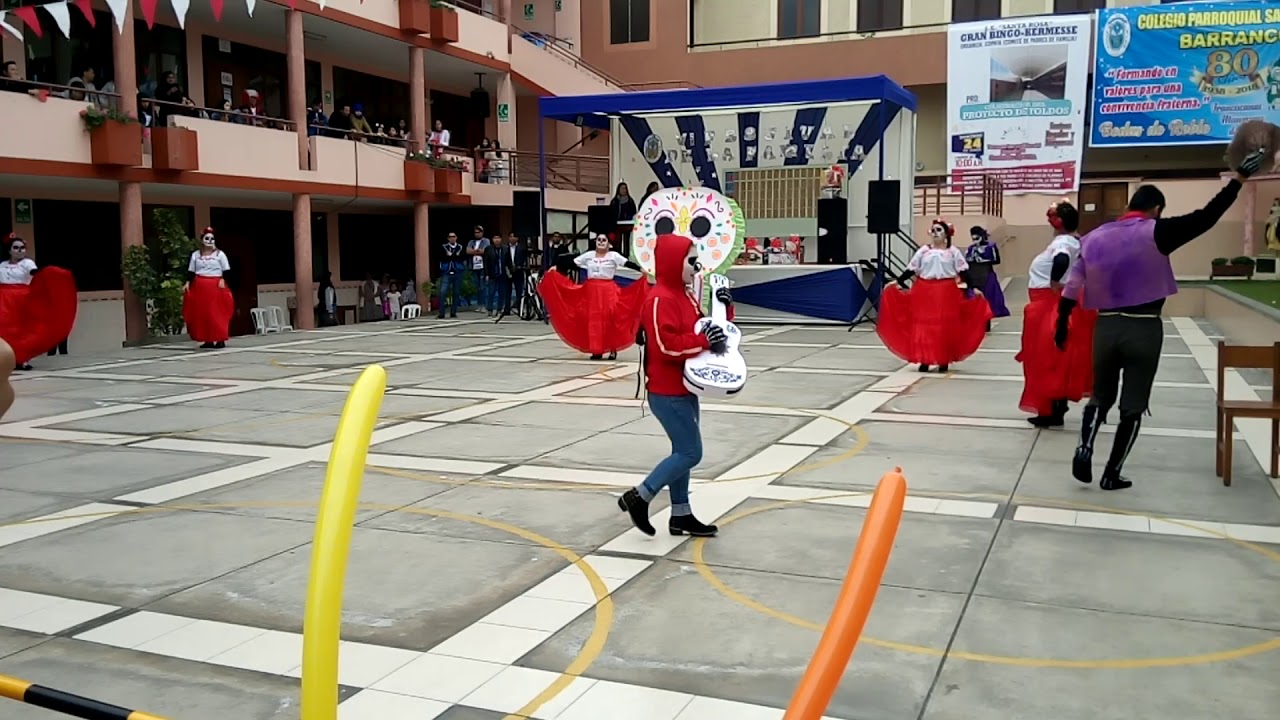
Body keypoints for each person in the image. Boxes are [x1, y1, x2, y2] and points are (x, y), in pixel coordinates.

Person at [1060, 148, 1266, 491]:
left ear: (1130, 205)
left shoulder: (1094, 238)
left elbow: (1072, 285)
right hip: (1143, 327)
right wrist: (1239, 179)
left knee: (1100, 396)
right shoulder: (1158, 230)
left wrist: (1061, 321)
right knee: (1133, 405)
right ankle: (1112, 472)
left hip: (1106, 327)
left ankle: (1085, 447)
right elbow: (1206, 217)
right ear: (1156, 209)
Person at [617, 234, 733, 539]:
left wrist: (724, 309)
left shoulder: (684, 294)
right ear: (672, 262)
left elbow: (705, 329)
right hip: (666, 391)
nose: (696, 267)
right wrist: (704, 341)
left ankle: (681, 514)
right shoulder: (660, 299)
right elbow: (666, 345)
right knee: (690, 452)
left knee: (682, 451)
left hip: (686, 387)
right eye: (691, 261)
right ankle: (640, 495)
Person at [1017, 201, 1096, 428]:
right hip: (1056, 302)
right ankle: (1056, 407)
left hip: (1049, 304)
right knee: (1058, 356)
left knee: (1046, 357)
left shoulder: (1063, 243)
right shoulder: (1075, 241)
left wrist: (1054, 281)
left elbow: (1061, 260)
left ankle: (1050, 409)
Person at [877, 219, 993, 373]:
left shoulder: (953, 252)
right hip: (924, 291)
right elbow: (912, 269)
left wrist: (972, 288)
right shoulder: (924, 251)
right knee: (924, 325)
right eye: (933, 230)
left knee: (944, 326)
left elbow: (963, 272)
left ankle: (943, 359)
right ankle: (925, 359)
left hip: (946, 292)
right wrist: (898, 281)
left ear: (946, 234)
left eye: (939, 230)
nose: (935, 233)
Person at [539, 234, 648, 361]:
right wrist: (557, 267)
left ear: (609, 244)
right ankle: (596, 350)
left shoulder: (613, 256)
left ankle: (612, 348)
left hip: (608, 291)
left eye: (604, 240)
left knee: (610, 318)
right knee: (593, 321)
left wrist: (641, 269)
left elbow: (627, 264)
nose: (601, 242)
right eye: (598, 240)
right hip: (591, 291)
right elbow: (571, 262)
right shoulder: (589, 255)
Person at [0, 234, 77, 371]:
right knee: (6, 330)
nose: (20, 250)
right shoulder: (2, 265)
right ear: (9, 250)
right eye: (16, 247)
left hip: (21, 299)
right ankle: (9, 359)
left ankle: (22, 359)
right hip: (4, 300)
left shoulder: (27, 263)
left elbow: (34, 272)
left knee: (22, 331)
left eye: (22, 248)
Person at [182, 228, 234, 349]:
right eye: (207, 238)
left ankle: (220, 339)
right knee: (203, 313)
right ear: (202, 240)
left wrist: (223, 280)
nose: (209, 241)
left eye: (212, 238)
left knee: (216, 313)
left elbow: (226, 269)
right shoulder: (196, 255)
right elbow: (191, 271)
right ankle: (207, 339)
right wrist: (188, 282)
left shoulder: (220, 254)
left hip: (216, 286)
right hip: (200, 286)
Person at [964, 226, 1009, 325]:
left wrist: (983, 260)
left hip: (987, 274)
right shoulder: (971, 248)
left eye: (976, 237)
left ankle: (987, 319)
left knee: (988, 298)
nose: (975, 240)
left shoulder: (990, 246)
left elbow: (997, 260)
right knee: (976, 299)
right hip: (974, 276)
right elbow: (966, 262)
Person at [438, 232, 466, 318]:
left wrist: (451, 256)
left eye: (453, 236)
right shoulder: (444, 247)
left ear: (456, 237)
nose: (452, 238)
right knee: (442, 292)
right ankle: (441, 313)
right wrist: (453, 256)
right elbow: (441, 257)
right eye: (450, 237)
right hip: (446, 272)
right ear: (448, 238)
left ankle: (453, 312)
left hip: (457, 272)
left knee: (456, 293)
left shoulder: (460, 247)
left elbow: (462, 257)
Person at [467, 226, 491, 313]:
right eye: (475, 232)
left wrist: (474, 251)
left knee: (482, 287)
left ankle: (484, 305)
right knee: (477, 287)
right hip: (474, 267)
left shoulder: (486, 241)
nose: (477, 234)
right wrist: (477, 251)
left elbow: (485, 251)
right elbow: (468, 251)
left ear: (482, 233)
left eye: (478, 232)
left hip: (482, 267)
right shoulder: (471, 242)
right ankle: (479, 305)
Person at [609, 182, 638, 255]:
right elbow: (611, 211)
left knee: (626, 241)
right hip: (617, 225)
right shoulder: (615, 201)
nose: (624, 190)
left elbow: (634, 211)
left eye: (625, 188)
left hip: (627, 224)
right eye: (622, 188)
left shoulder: (630, 201)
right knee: (617, 242)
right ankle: (617, 254)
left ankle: (626, 255)